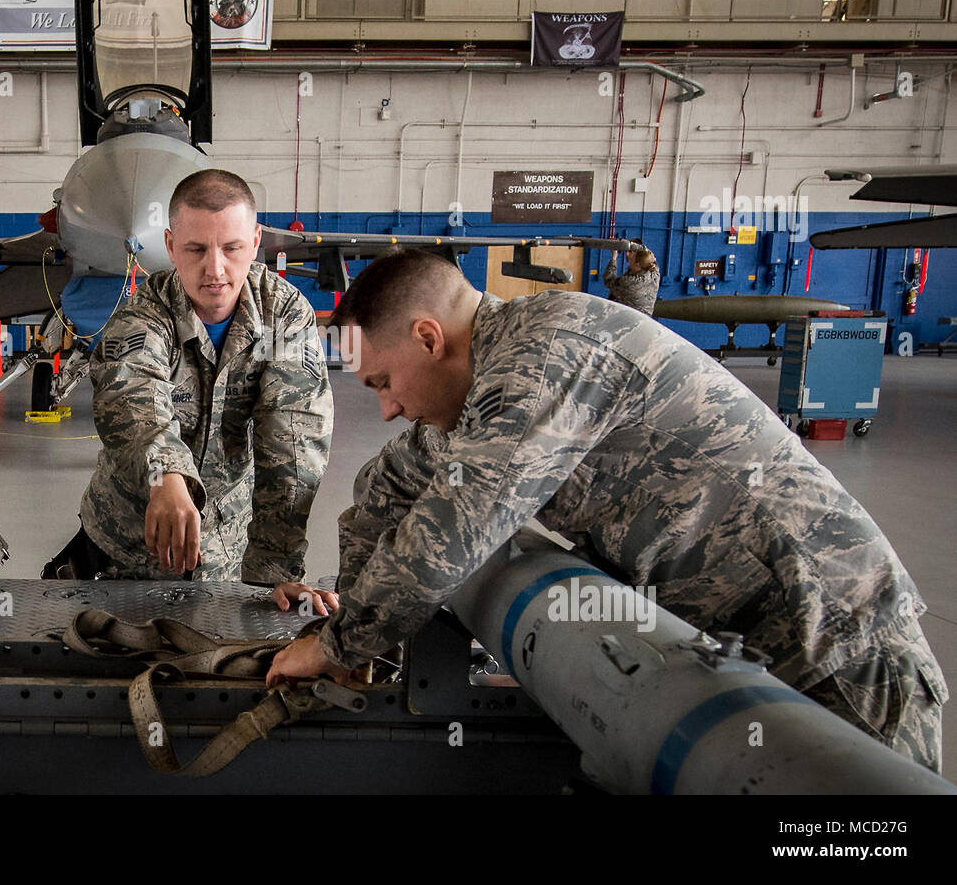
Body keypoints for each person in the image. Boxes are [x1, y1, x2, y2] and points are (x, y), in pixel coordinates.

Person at [268, 249, 947, 772]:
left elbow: (450, 531)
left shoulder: (549, 356)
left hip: (834, 641)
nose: (385, 407)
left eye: (383, 383)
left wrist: (334, 645)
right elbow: (383, 489)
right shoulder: (489, 384)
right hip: (740, 651)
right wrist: (357, 630)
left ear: (428, 337)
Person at [46, 169, 337, 616]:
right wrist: (166, 476)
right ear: (169, 245)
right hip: (123, 550)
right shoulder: (145, 313)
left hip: (223, 553)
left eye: (232, 248)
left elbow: (294, 446)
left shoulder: (283, 316)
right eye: (196, 249)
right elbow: (131, 397)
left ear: (256, 242)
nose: (215, 269)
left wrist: (276, 570)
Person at [602, 239, 659, 315]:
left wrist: (614, 257)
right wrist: (631, 246)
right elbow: (651, 257)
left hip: (628, 320)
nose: (627, 255)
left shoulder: (629, 282)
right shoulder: (655, 273)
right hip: (645, 319)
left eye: (631, 253)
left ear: (637, 265)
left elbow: (608, 280)